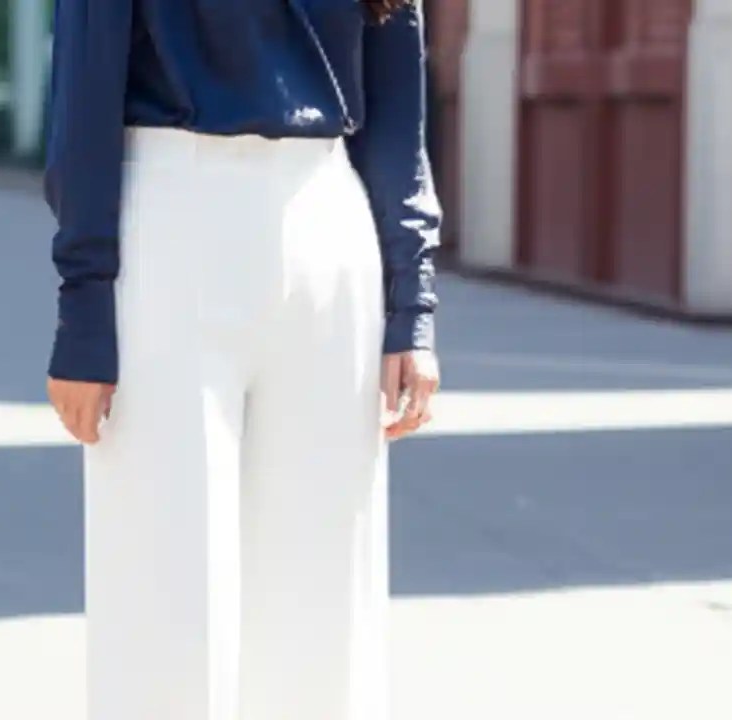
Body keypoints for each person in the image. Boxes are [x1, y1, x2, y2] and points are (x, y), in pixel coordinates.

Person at [43, 1, 442, 718]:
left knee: (296, 598)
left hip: (267, 216)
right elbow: (88, 87)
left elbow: (395, 99)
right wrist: (85, 307)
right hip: (214, 214)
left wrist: (413, 307)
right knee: (196, 595)